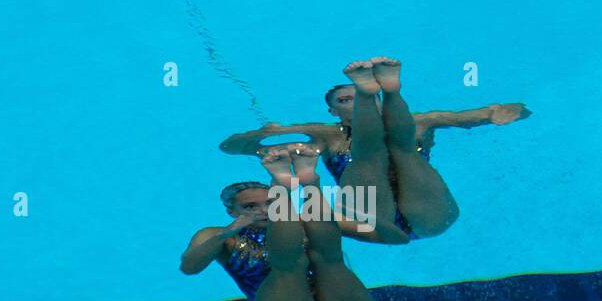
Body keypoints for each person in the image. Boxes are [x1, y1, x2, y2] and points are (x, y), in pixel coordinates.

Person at [219, 56, 529, 243]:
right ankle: (390, 90)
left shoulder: (419, 123)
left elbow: (509, 111)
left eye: (362, 97)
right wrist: (274, 132)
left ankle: (393, 91)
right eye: (345, 100)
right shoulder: (324, 138)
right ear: (332, 112)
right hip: (375, 224)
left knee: (401, 145)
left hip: (431, 215)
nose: (352, 104)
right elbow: (233, 148)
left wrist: (500, 113)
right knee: (370, 155)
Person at [180, 145, 377, 301]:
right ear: (232, 212)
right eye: (250, 207)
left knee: (328, 258)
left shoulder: (306, 220)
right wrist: (226, 233)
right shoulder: (219, 236)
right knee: (290, 266)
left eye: (270, 203)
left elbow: (381, 233)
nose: (263, 211)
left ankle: (307, 180)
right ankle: (291, 183)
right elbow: (189, 267)